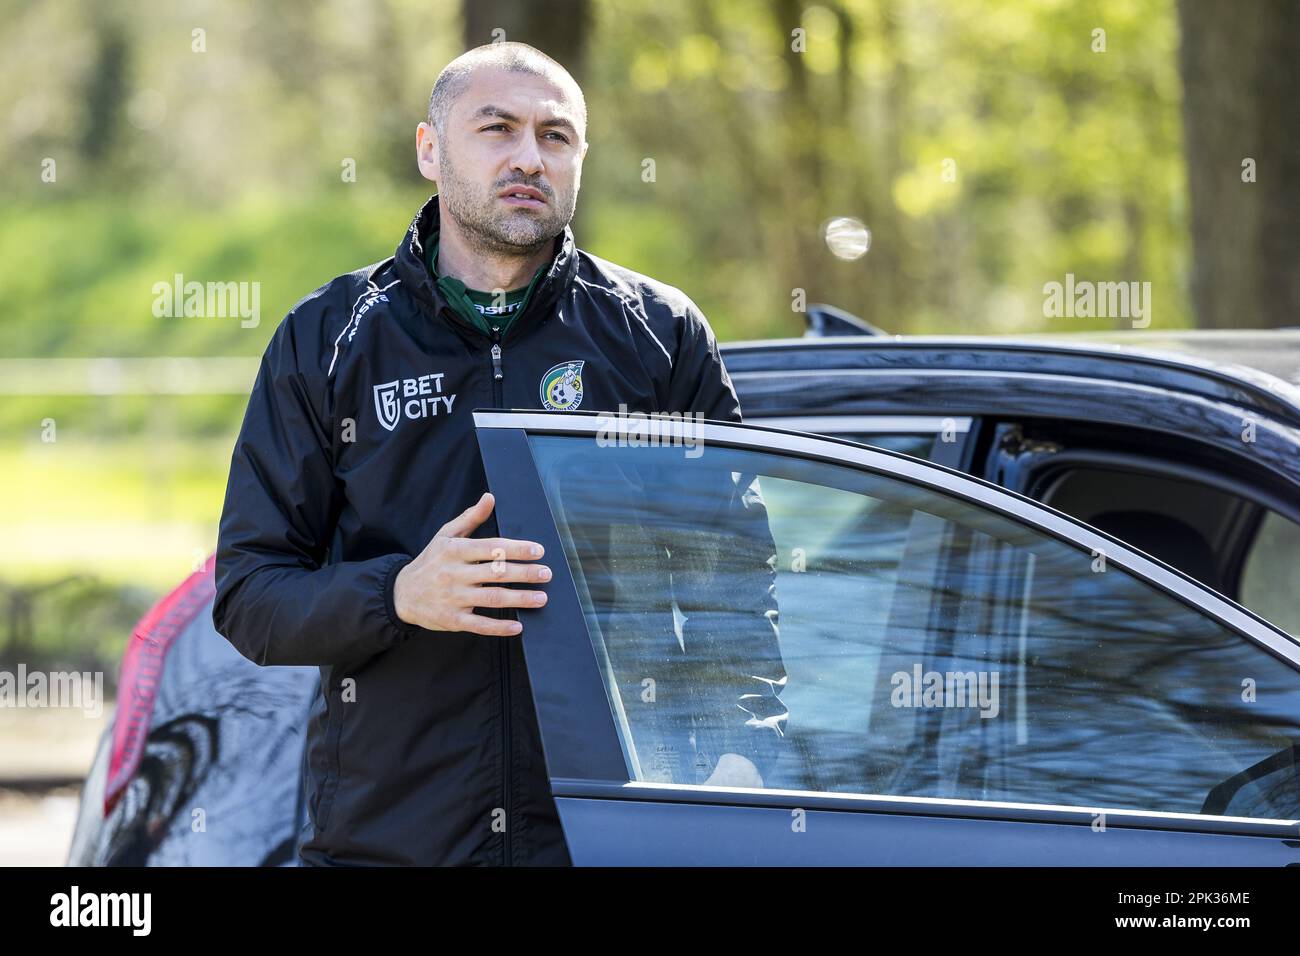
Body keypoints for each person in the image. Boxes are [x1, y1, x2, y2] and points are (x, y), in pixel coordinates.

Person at [212, 40, 786, 866]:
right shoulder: (329, 340)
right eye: (498, 128)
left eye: (556, 136)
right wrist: (398, 592)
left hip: (606, 840)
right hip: (391, 842)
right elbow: (250, 593)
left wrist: (741, 754)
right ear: (430, 148)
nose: (529, 157)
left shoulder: (658, 337)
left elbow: (731, 576)